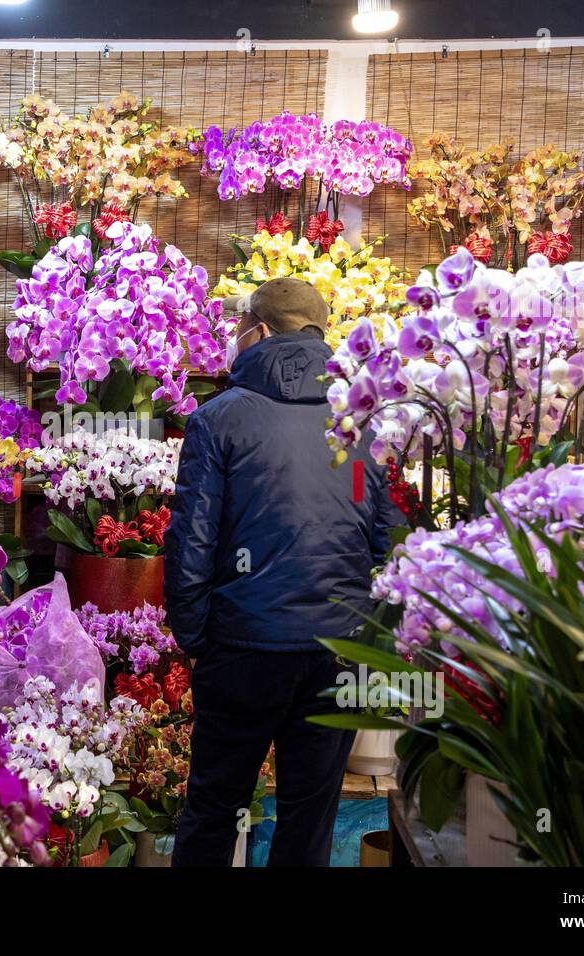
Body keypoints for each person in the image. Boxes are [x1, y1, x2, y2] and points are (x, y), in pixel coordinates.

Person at [164, 277, 404, 867]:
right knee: (309, 817)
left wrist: (196, 637)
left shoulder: (218, 419)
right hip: (338, 646)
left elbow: (191, 542)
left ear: (260, 332)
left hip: (244, 644)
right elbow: (387, 539)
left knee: (214, 808)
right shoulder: (361, 423)